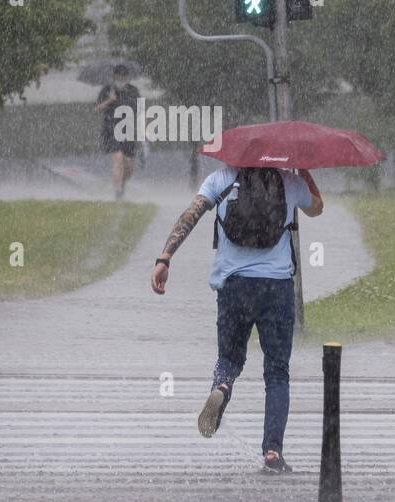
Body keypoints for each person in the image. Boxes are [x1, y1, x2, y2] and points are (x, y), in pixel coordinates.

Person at [150, 164, 324, 474]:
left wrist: (165, 257)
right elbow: (317, 208)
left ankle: (223, 385)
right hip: (276, 288)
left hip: (234, 286)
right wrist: (304, 170)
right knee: (277, 372)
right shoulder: (289, 182)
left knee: (229, 358)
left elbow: (190, 216)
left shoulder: (222, 178)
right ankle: (272, 451)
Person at [93, 65, 140, 199]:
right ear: (114, 77)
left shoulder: (133, 91)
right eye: (118, 77)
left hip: (128, 131)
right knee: (118, 159)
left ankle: (121, 183)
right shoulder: (107, 90)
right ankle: (118, 192)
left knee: (129, 166)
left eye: (124, 77)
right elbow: (96, 108)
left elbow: (141, 110)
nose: (121, 80)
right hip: (111, 130)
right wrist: (109, 100)